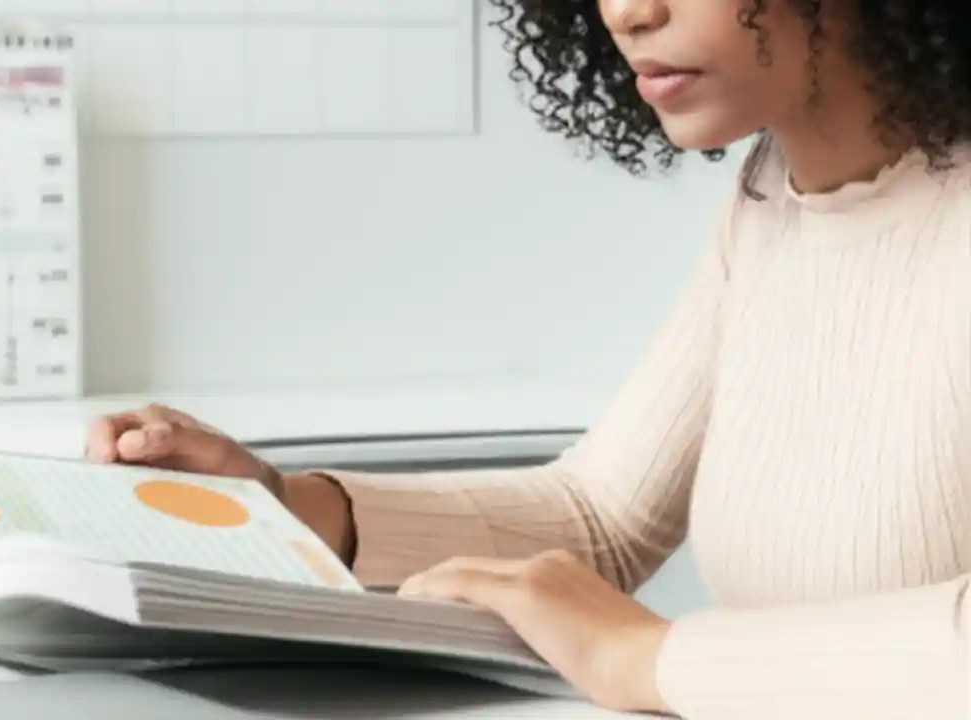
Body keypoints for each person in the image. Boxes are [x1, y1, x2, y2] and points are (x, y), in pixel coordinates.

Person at [86, 1, 970, 717]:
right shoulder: (770, 197)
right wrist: (287, 510)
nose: (626, 13)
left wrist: (648, 657)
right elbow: (600, 519)